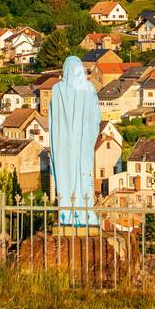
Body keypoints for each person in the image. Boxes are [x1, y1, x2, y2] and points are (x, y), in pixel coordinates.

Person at [48, 56, 101, 227]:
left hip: (62, 143)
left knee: (65, 175)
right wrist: (90, 137)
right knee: (82, 174)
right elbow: (96, 118)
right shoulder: (88, 89)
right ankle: (84, 214)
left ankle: (66, 215)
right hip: (82, 142)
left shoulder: (57, 90)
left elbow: (52, 120)